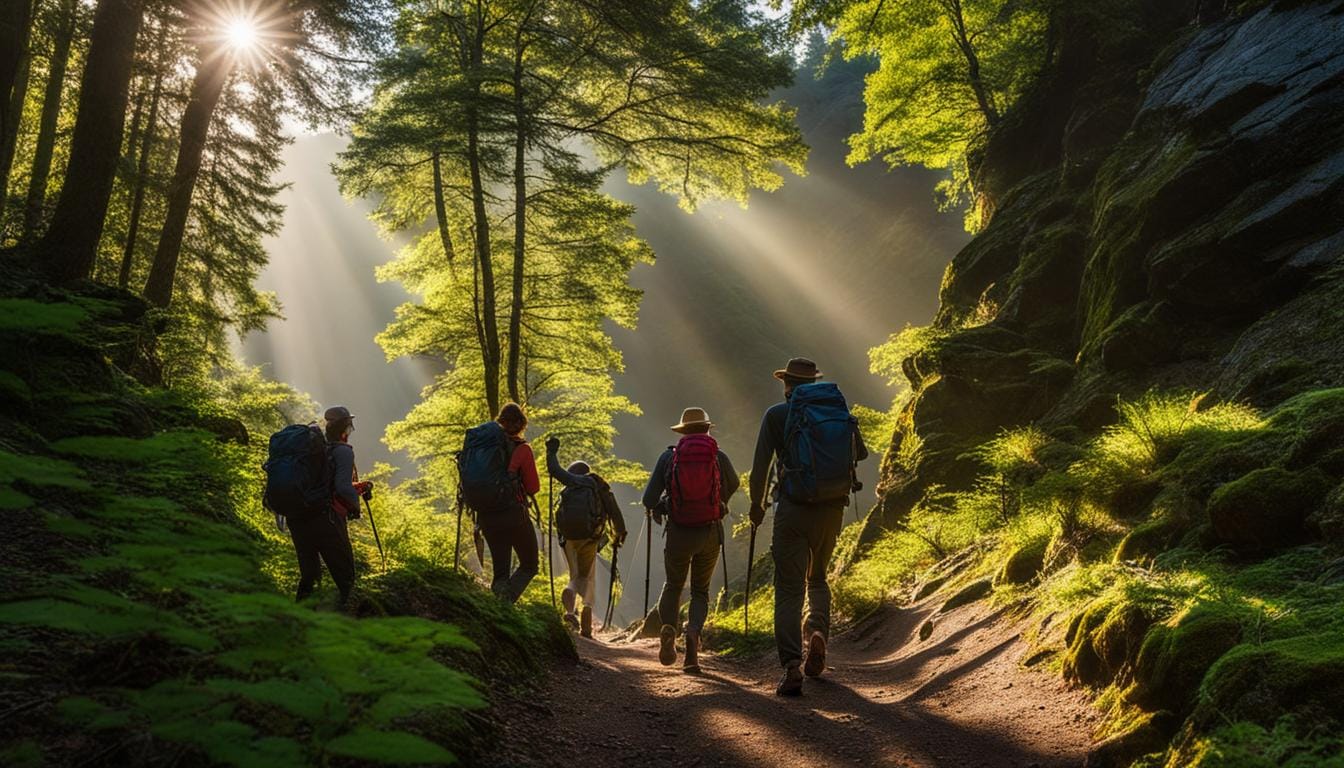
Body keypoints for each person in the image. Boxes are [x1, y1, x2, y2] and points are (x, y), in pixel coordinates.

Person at [749, 358, 868, 696]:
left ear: (786, 383)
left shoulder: (776, 415)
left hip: (793, 511)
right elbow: (859, 453)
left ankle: (791, 666)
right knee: (817, 578)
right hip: (831, 509)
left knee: (789, 588)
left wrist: (756, 508)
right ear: (813, 382)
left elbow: (759, 471)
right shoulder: (836, 408)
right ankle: (816, 630)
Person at [642, 407, 739, 673]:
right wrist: (719, 503)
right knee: (700, 591)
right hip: (709, 531)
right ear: (707, 428)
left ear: (683, 431)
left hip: (678, 532)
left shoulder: (668, 457)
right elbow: (736, 482)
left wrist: (665, 506)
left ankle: (668, 628)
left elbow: (648, 500)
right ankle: (693, 635)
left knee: (673, 585)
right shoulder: (717, 456)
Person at [544, 436, 628, 637]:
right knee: (587, 576)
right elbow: (614, 512)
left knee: (575, 574)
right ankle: (586, 616)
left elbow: (554, 470)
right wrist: (620, 534)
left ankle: (570, 606)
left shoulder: (569, 484)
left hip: (568, 538)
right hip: (590, 538)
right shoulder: (598, 485)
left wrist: (551, 451)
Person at [289, 405, 370, 605]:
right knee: (346, 578)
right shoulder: (343, 452)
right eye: (349, 427)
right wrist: (356, 506)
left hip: (299, 518)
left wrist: (357, 487)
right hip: (328, 520)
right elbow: (342, 488)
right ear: (344, 428)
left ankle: (298, 623)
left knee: (310, 576)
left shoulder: (315, 449)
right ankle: (348, 625)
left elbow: (328, 483)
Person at [478, 402, 542, 602]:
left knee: (500, 572)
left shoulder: (485, 448)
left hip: (487, 516)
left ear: (500, 422)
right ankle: (505, 603)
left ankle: (498, 611)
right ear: (521, 424)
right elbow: (533, 488)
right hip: (514, 516)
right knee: (530, 565)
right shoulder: (522, 450)